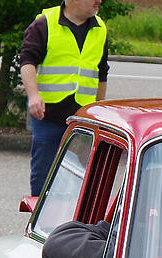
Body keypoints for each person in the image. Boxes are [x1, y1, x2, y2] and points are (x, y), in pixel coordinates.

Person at [20, 0, 109, 197]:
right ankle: (39, 220)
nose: (99, 1)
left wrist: (100, 109)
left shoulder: (100, 28)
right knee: (44, 170)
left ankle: (75, 220)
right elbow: (27, 62)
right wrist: (33, 96)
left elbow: (102, 71)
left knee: (86, 173)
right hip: (48, 114)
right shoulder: (45, 23)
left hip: (84, 117)